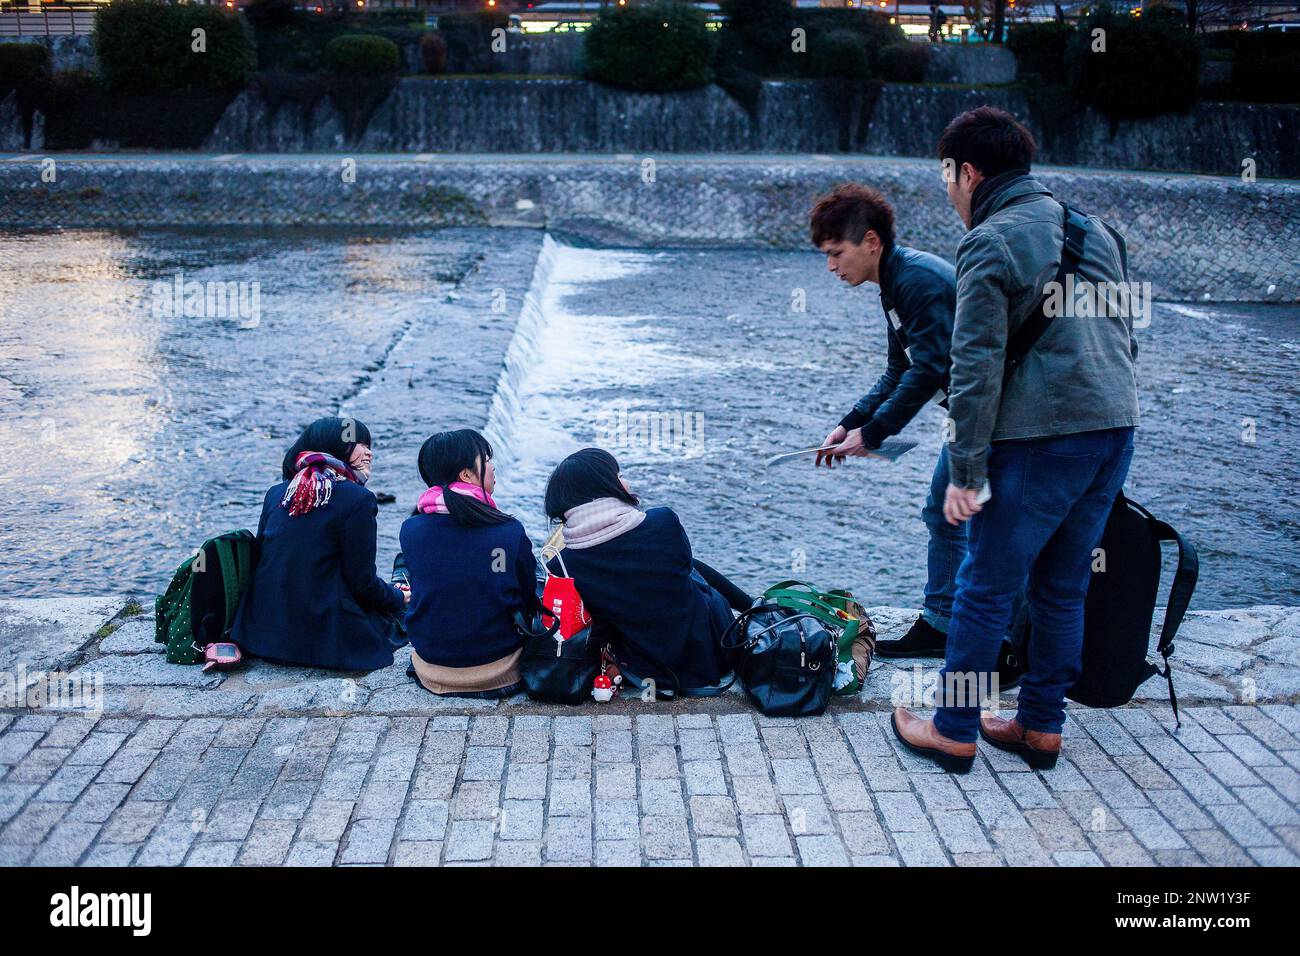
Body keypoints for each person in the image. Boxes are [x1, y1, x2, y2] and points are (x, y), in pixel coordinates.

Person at [891, 106, 1138, 773]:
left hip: (1039, 442)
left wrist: (967, 469)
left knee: (983, 587)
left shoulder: (990, 240)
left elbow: (972, 369)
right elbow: (1125, 337)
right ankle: (1041, 727)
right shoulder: (1093, 229)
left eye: (947, 178)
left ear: (968, 172)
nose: (948, 194)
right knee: (1062, 587)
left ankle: (954, 730)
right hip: (1114, 430)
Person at [810, 183, 964, 660]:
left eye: (836, 253)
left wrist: (872, 435)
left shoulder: (917, 281)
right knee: (946, 515)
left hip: (998, 419)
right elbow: (899, 369)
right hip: (972, 418)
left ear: (871, 242)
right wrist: (850, 422)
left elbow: (930, 368)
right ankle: (943, 624)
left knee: (978, 524)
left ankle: (996, 638)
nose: (832, 266)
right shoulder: (894, 282)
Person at [542, 448, 752, 697]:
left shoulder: (562, 566)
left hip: (641, 670)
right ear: (603, 486)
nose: (625, 481)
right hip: (712, 655)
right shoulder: (663, 523)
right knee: (689, 571)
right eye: (618, 475)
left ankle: (751, 605)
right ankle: (752, 606)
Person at [232, 416, 408, 671]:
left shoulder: (277, 492)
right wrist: (396, 597)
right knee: (404, 597)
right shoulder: (358, 500)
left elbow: (263, 560)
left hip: (263, 633)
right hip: (322, 639)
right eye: (359, 443)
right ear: (333, 445)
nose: (368, 451)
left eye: (369, 445)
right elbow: (363, 585)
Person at [399, 429, 539, 699]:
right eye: (487, 459)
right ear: (466, 475)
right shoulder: (508, 531)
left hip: (432, 666)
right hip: (498, 668)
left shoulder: (411, 529)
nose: (493, 465)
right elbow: (528, 597)